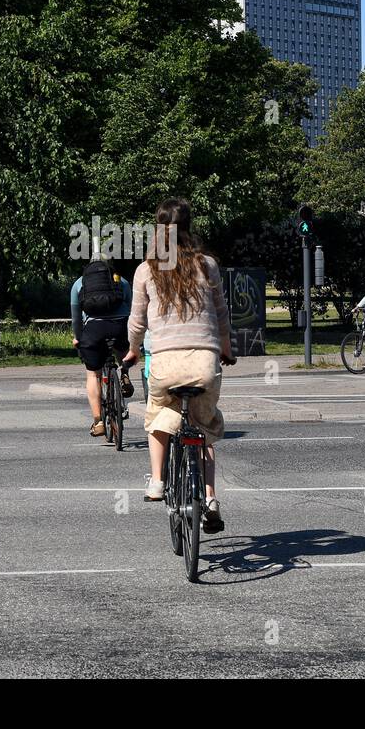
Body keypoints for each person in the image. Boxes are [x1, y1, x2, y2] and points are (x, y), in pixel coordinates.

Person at [123, 198, 234, 535]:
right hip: (204, 361)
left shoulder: (147, 269)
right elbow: (221, 314)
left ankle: (156, 481)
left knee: (157, 414)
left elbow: (137, 322)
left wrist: (132, 352)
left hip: (166, 362)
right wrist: (226, 350)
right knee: (203, 427)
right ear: (189, 227)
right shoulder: (208, 265)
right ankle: (211, 498)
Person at [71, 257, 135, 438]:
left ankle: (98, 421)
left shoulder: (79, 284)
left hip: (94, 329)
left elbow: (76, 318)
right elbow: (130, 309)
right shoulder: (120, 280)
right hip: (120, 325)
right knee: (122, 348)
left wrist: (77, 338)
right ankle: (124, 374)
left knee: (93, 374)